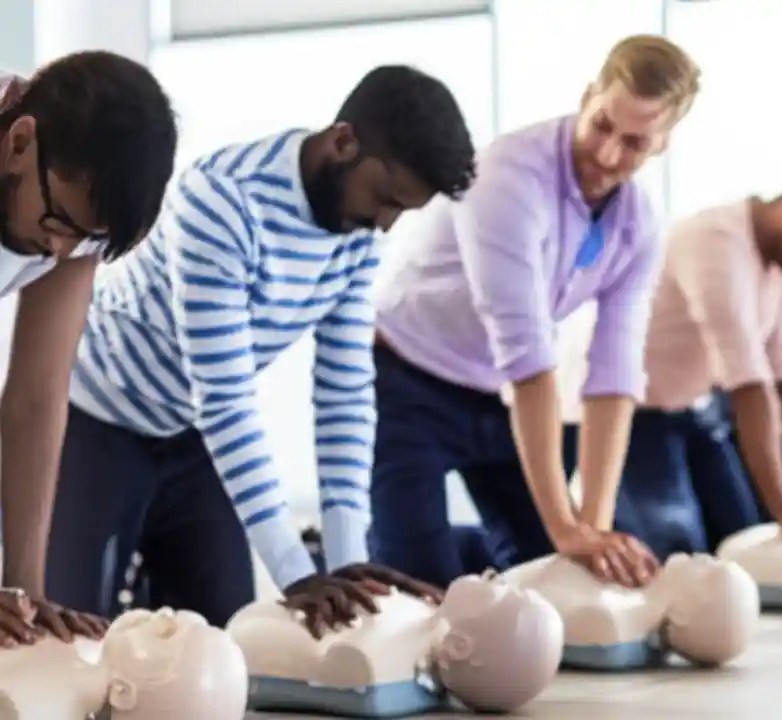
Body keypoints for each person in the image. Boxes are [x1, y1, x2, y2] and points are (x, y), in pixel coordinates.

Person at [43, 65, 477, 636]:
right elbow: (225, 396)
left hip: (194, 437)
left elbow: (344, 391)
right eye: (385, 199)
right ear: (343, 142)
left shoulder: (360, 230)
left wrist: (347, 563)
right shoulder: (222, 200)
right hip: (99, 420)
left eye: (403, 212)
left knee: (219, 647)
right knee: (67, 641)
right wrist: (296, 572)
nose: (385, 224)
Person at [369, 35, 700, 590]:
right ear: (588, 95)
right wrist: (569, 528)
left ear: (663, 143)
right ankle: (364, 543)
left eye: (636, 143)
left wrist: (590, 527)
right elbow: (527, 355)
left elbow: (614, 377)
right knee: (419, 587)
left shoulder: (638, 223)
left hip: (492, 393)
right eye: (601, 125)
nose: (610, 154)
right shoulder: (506, 174)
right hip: (404, 379)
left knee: (558, 573)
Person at [569, 166, 782, 560]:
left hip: (690, 410)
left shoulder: (779, 265)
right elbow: (749, 382)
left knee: (746, 536)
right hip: (623, 413)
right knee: (681, 551)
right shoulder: (714, 239)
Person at [0, 52, 177, 646]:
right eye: (57, 223)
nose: (57, 251)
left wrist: (23, 592)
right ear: (19, 143)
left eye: (84, 239)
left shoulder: (70, 213)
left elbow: (37, 394)